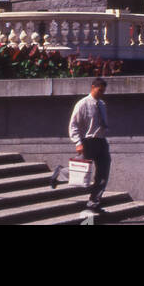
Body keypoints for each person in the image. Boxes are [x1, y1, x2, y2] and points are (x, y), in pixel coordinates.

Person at [51, 77, 110, 210]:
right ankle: (60, 174)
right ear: (93, 88)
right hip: (88, 141)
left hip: (101, 141)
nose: (101, 93)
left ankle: (94, 202)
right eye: (99, 90)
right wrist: (78, 142)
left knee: (103, 173)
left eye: (103, 91)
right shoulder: (82, 104)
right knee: (81, 170)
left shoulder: (102, 104)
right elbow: (74, 125)